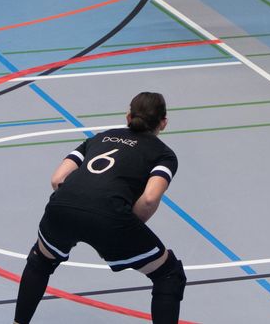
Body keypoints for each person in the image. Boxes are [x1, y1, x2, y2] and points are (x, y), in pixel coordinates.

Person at [14, 92, 186, 324]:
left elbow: (57, 179)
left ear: (128, 117)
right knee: (168, 274)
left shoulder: (99, 138)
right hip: (111, 218)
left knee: (41, 260)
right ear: (163, 122)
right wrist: (123, 227)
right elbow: (149, 199)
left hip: (61, 207)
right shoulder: (163, 154)